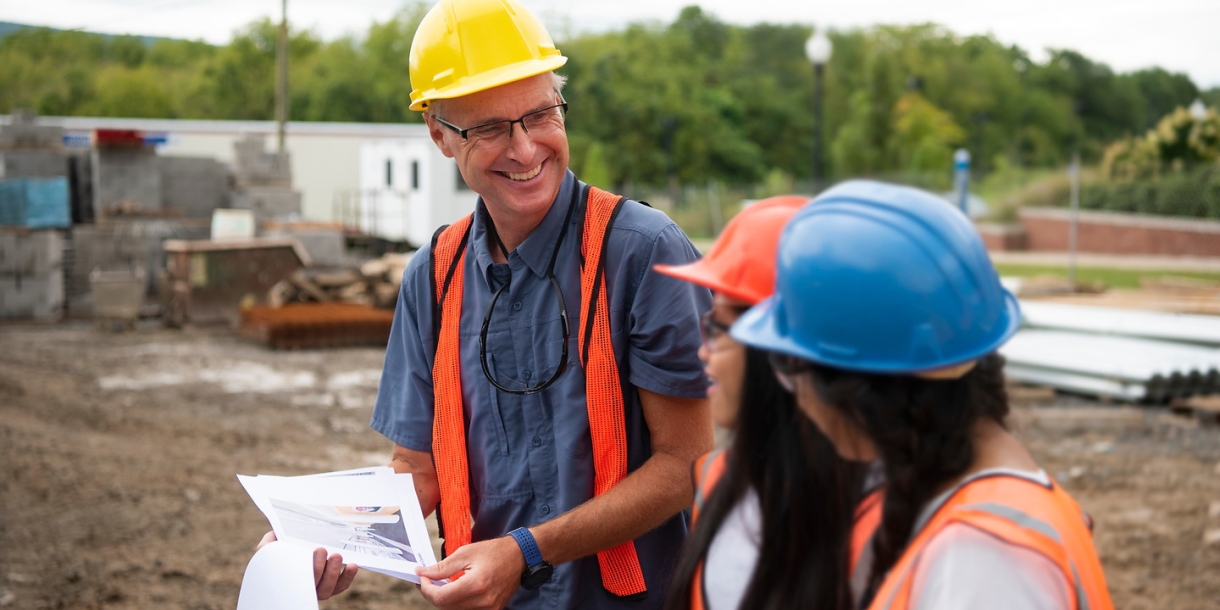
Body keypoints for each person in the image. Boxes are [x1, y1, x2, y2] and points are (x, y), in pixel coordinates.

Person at [270, 0, 714, 608]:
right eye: (489, 128)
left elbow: (685, 464)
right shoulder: (432, 276)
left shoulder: (644, 253)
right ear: (439, 135)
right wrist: (320, 537)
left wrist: (524, 552)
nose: (526, 148)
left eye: (540, 115)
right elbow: (417, 471)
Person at [731, 180, 1114, 610]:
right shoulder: (984, 515)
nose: (795, 399)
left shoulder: (979, 560)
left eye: (788, 367)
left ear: (856, 388)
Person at [652, 196, 864, 610]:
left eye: (719, 328)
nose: (702, 352)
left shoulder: (875, 517)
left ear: (784, 349)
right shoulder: (723, 481)